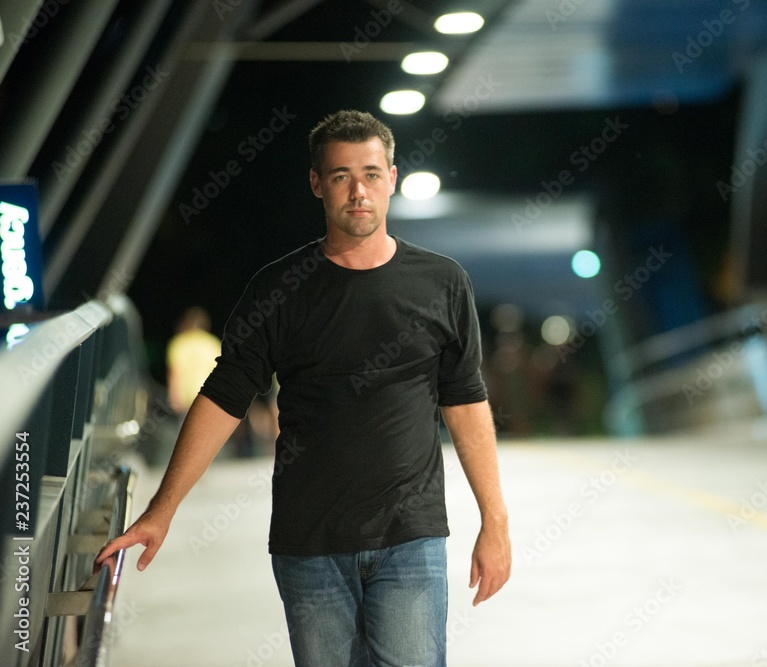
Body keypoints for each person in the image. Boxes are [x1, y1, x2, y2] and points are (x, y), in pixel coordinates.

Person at [96, 110, 511, 666]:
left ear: (392, 176)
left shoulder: (442, 282)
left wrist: (495, 522)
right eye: (341, 176)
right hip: (308, 543)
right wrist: (161, 510)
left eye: (370, 173)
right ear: (318, 184)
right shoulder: (277, 290)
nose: (358, 191)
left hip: (410, 538)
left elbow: (464, 400)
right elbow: (225, 396)